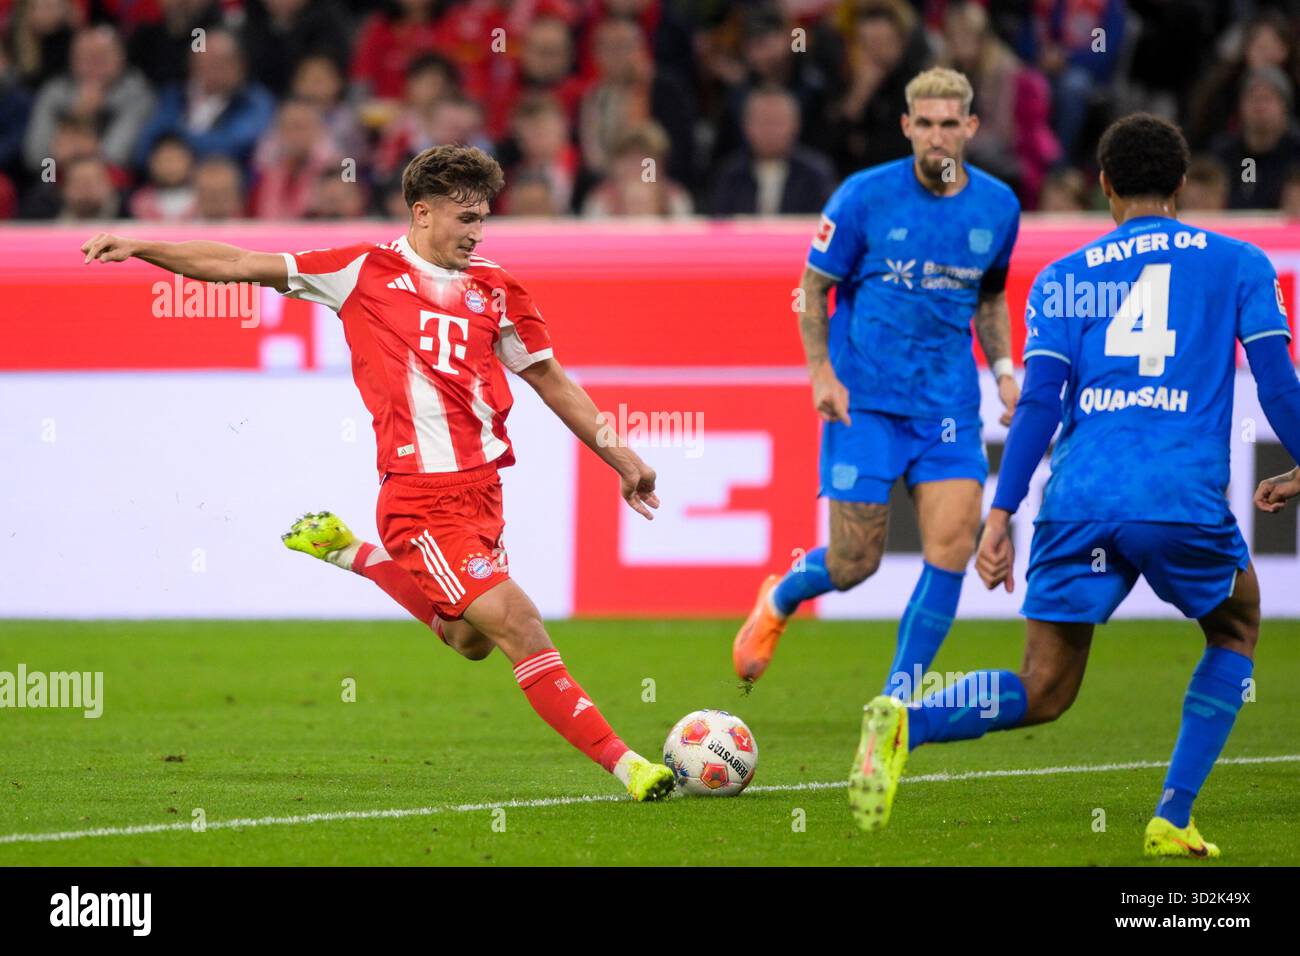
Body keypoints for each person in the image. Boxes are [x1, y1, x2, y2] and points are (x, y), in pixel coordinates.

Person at [79, 144, 676, 803]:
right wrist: (141, 247)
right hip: (420, 502)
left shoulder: (498, 290)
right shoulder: (362, 271)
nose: (476, 234)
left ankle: (350, 552)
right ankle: (631, 768)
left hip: (483, 494)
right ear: (422, 213)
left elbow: (550, 380)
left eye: (483, 220)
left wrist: (623, 457)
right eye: (464, 219)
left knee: (469, 639)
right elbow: (238, 264)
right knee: (521, 624)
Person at [848, 114, 1300, 857]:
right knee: (1236, 626)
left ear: (1105, 186)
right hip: (1175, 493)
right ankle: (1172, 816)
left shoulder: (1065, 277)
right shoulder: (1239, 262)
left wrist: (1001, 512)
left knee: (1044, 687)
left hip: (1078, 496)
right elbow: (1280, 389)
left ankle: (908, 721)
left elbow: (1038, 403)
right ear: (1182, 187)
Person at [733, 68, 1021, 696]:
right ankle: (781, 595)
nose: (938, 137)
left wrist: (1004, 371)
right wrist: (821, 374)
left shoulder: (999, 206)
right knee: (854, 562)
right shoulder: (862, 197)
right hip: (862, 404)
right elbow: (812, 289)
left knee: (950, 551)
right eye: (926, 124)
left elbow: (991, 298)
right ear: (906, 127)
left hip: (947, 408)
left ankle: (893, 704)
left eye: (951, 124)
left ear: (971, 127)